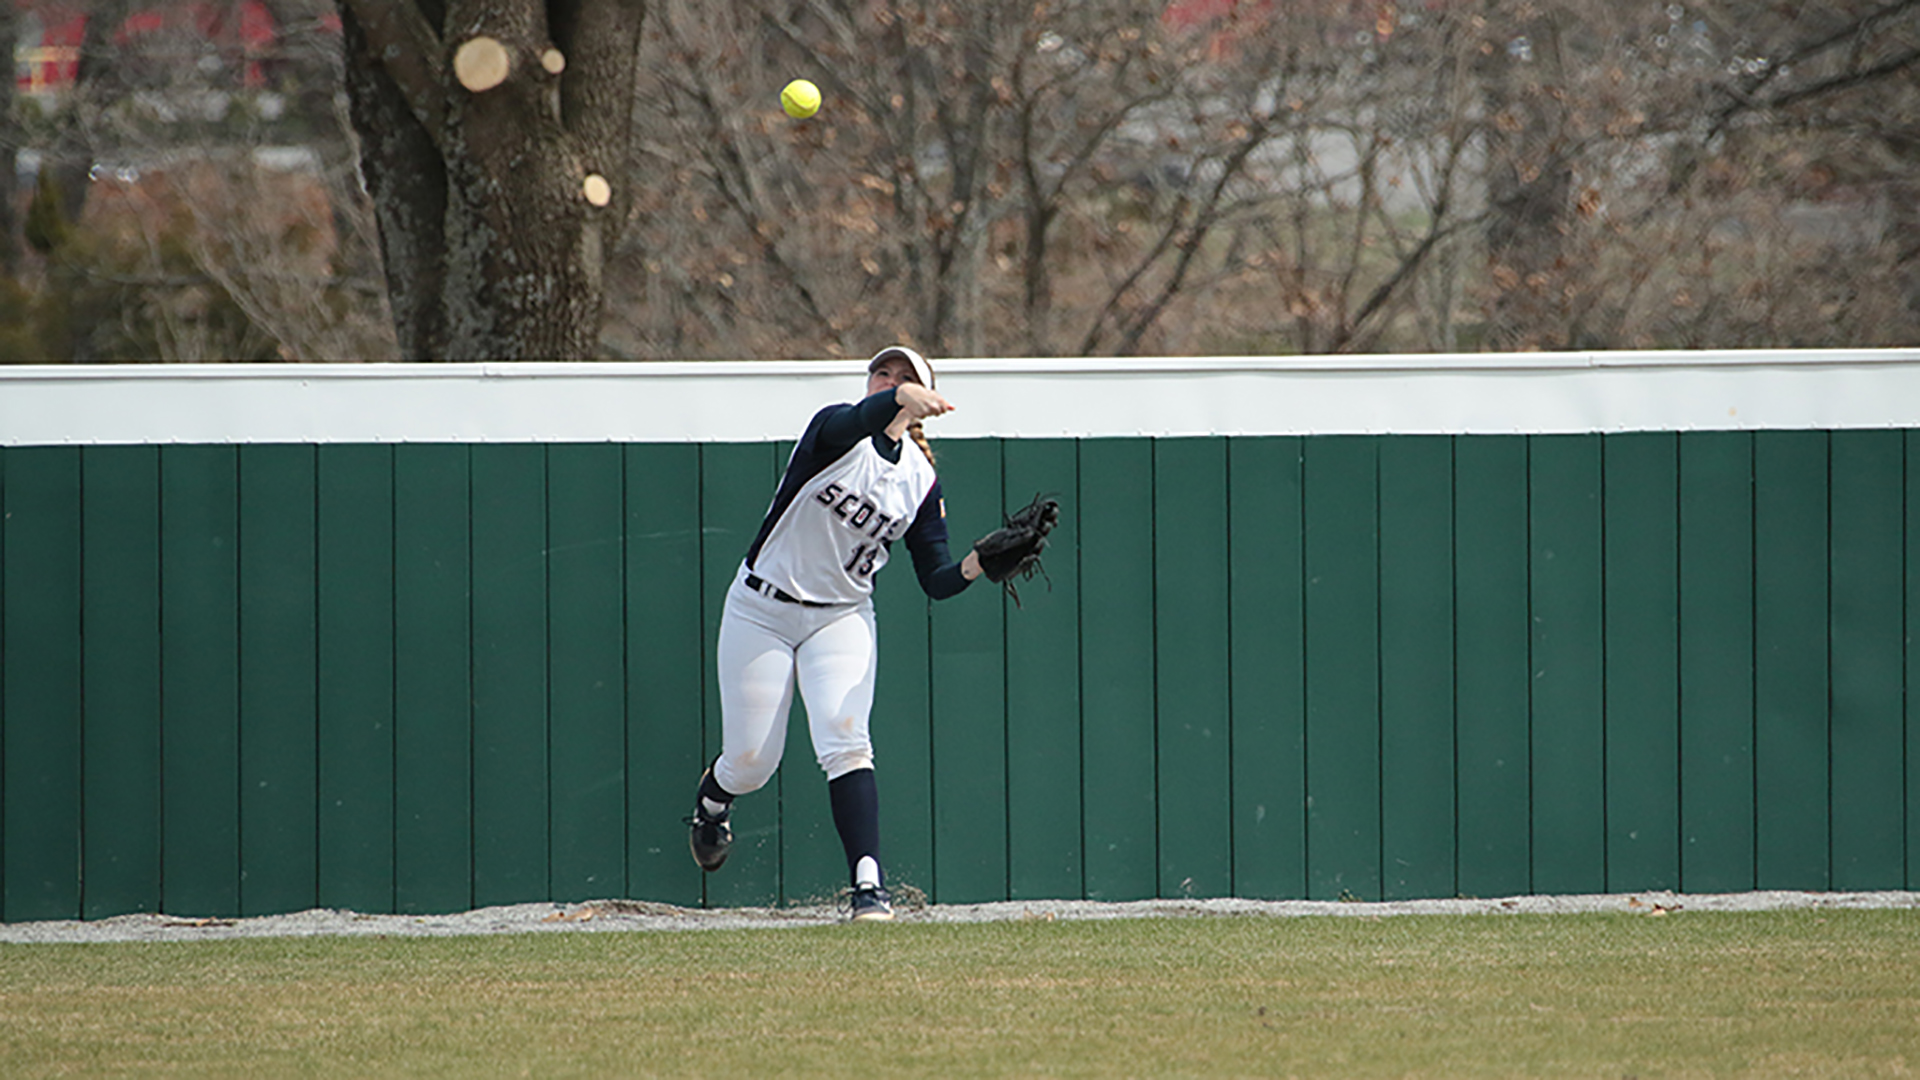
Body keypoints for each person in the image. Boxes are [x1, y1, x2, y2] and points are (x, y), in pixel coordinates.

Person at [687, 345, 985, 922]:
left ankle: (868, 888)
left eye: (905, 377)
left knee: (846, 741)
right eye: (883, 372)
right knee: (752, 761)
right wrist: (902, 397)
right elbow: (861, 420)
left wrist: (981, 564)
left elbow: (938, 580)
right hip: (761, 608)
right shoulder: (833, 428)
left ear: (924, 404)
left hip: (841, 616)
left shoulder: (920, 481)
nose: (891, 382)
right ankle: (713, 800)